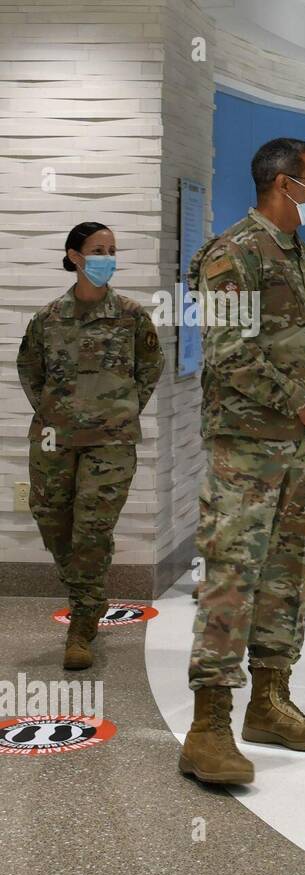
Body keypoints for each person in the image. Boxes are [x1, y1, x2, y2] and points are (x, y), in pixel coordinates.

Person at [181, 137, 305, 785]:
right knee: (232, 578)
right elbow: (230, 353)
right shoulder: (232, 256)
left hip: (300, 454)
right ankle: (208, 728)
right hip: (245, 452)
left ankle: (269, 702)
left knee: (286, 576)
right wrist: (301, 403)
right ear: (284, 184)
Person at [17, 222, 163, 670]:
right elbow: (30, 370)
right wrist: (56, 411)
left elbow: (150, 366)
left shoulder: (132, 315)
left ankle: (83, 618)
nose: (107, 257)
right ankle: (88, 593)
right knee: (53, 521)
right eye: (97, 250)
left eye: (112, 250)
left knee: (92, 529)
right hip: (54, 439)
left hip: (111, 442)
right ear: (74, 256)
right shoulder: (47, 318)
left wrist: (119, 411)